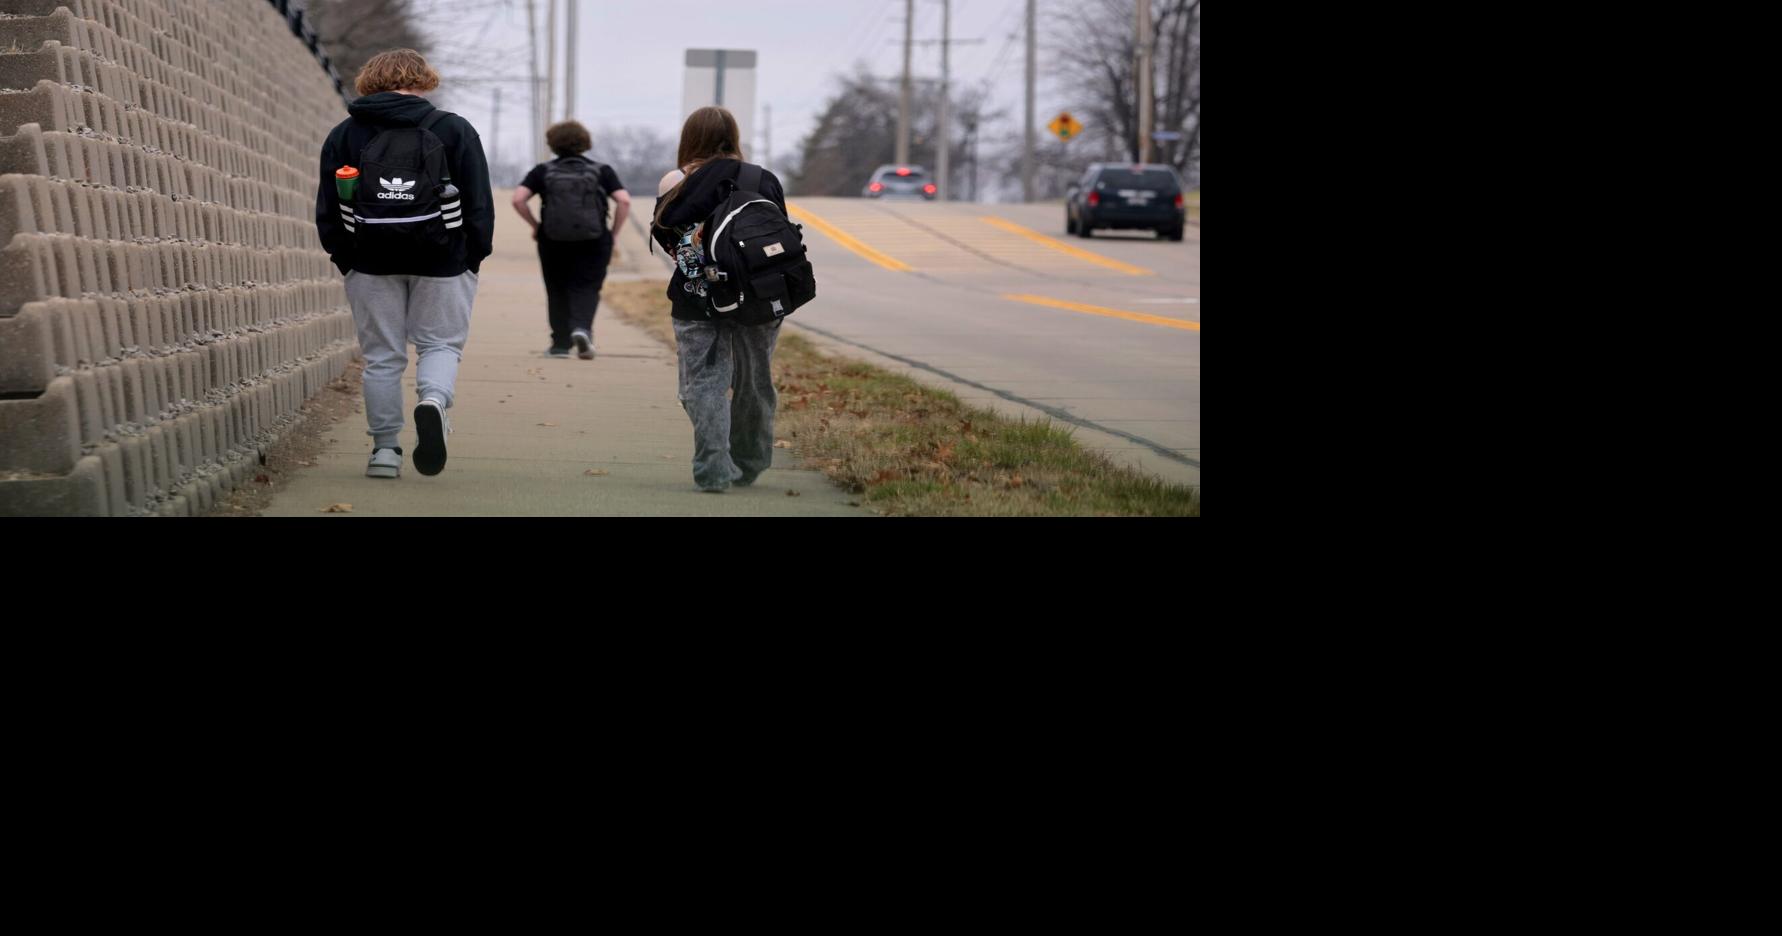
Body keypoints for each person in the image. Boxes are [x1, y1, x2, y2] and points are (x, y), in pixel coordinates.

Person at [315, 49, 493, 478]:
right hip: (444, 259)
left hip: (369, 260)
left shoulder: (345, 134)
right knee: (440, 345)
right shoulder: (453, 129)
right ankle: (432, 401)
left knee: (382, 357)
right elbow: (479, 204)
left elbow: (328, 208)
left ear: (370, 80)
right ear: (423, 79)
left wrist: (346, 259)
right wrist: (472, 258)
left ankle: (384, 452)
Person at [650, 106, 786, 492]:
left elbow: (668, 239)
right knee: (754, 380)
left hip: (698, 298)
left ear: (689, 138)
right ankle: (749, 461)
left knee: (703, 382)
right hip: (759, 297)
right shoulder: (762, 179)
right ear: (734, 137)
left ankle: (713, 467)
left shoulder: (676, 180)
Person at [512, 121, 629, 359]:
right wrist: (614, 233)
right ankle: (582, 329)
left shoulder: (542, 171)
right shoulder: (602, 170)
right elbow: (624, 201)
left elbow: (518, 199)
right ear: (585, 142)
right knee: (587, 286)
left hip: (552, 239)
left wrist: (536, 226)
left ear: (553, 144)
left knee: (557, 288)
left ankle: (560, 345)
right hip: (595, 239)